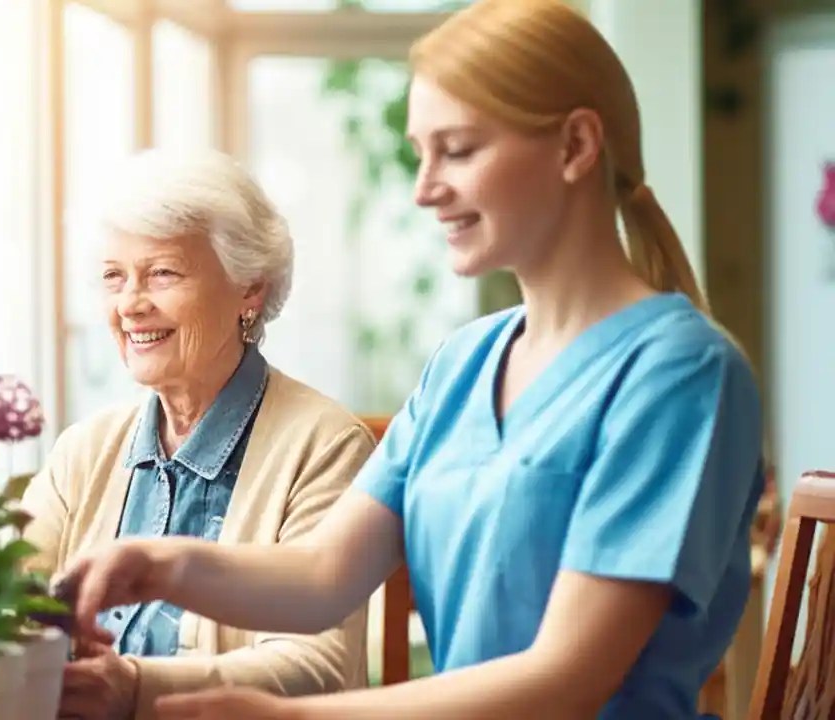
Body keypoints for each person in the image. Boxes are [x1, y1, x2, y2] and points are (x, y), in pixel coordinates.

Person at [50, 1, 767, 718]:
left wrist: (293, 717)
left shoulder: (680, 374)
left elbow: (568, 678)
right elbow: (321, 574)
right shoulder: (465, 362)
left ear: (576, 145)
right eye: (421, 153)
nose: (425, 188)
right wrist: (159, 564)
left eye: (456, 150)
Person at [21, 149, 374, 720]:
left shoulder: (325, 444)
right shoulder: (82, 450)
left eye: (162, 272)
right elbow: (1, 603)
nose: (131, 304)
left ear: (249, 290)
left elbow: (317, 665)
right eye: (114, 276)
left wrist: (135, 685)